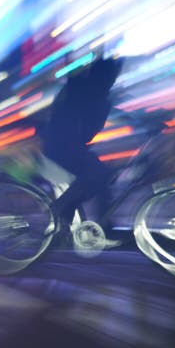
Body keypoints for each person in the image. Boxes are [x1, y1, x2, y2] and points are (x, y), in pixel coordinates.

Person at [41, 56, 124, 232]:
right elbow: (73, 75)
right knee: (96, 176)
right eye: (111, 76)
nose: (112, 80)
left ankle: (81, 222)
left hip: (73, 149)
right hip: (59, 149)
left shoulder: (102, 98)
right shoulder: (79, 89)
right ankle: (58, 210)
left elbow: (122, 113)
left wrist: (149, 118)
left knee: (102, 176)